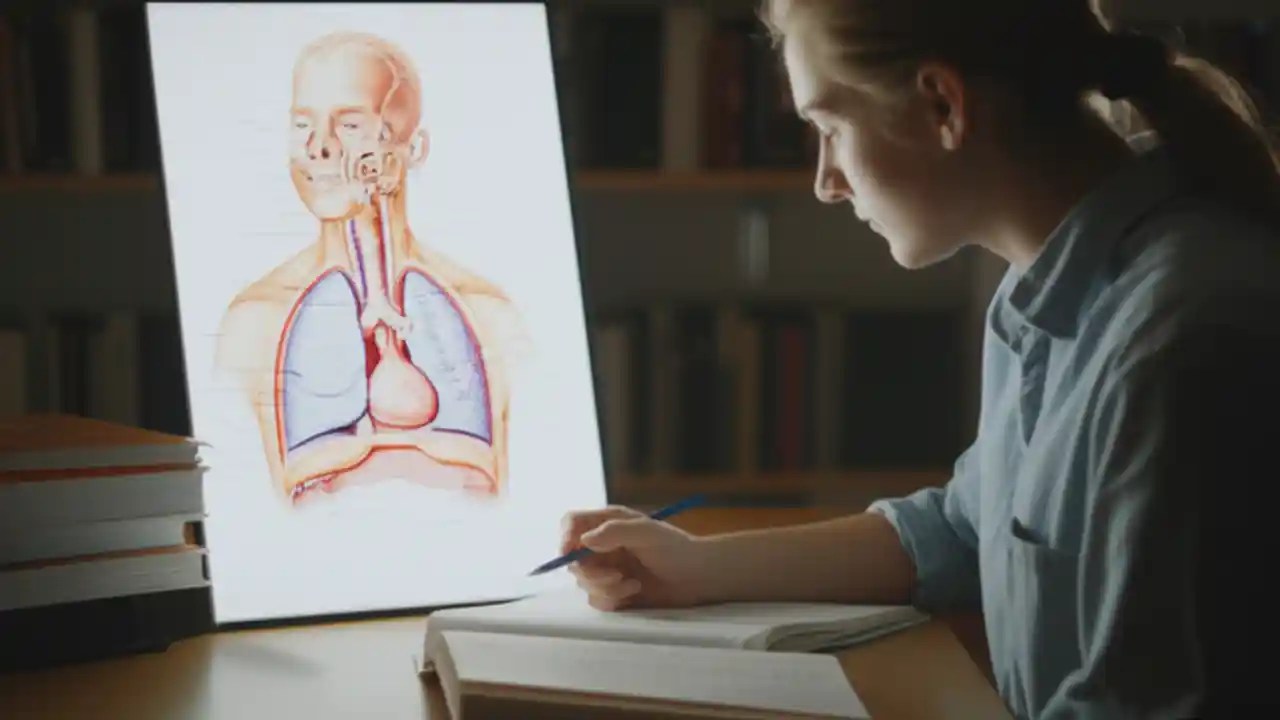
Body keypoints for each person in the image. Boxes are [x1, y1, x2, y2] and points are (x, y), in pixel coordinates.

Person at [560, 1, 1280, 718]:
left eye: (831, 128)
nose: (825, 181)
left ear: (942, 104)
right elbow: (964, 532)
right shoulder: (1040, 294)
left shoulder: (1181, 343)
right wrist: (696, 569)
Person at [215, 31, 529, 504]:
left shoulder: (491, 318)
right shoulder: (253, 324)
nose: (319, 146)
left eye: (350, 124)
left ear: (414, 148)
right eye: (303, 124)